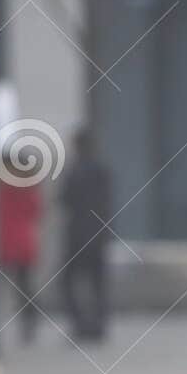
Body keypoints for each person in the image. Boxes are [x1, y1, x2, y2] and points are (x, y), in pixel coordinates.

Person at [60, 128, 112, 341]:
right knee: (97, 282)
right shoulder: (101, 171)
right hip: (97, 234)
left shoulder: (75, 172)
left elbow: (64, 199)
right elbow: (108, 204)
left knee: (68, 281)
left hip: (79, 235)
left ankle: (82, 324)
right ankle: (96, 325)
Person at [0, 144, 44, 343]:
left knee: (22, 288)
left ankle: (28, 324)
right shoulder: (29, 186)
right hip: (15, 242)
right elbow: (38, 212)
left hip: (12, 243)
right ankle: (28, 324)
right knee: (24, 288)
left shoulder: (4, 187)